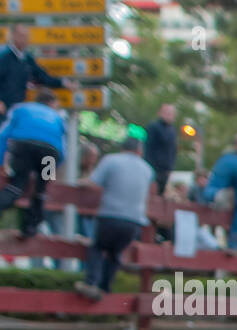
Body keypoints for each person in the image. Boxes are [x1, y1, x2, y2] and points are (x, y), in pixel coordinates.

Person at [73, 137, 153, 300]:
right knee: (115, 253)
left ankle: (91, 283)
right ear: (139, 151)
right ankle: (105, 288)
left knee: (97, 247)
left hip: (110, 215)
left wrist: (75, 183)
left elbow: (93, 182)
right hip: (134, 220)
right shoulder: (147, 169)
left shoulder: (111, 161)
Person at [0, 88, 65, 238]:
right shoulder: (58, 117)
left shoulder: (20, 109)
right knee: (42, 190)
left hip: (24, 146)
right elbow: (63, 149)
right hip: (51, 151)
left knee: (17, 184)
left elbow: (3, 135)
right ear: (52, 103)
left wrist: (1, 162)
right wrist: (52, 172)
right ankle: (30, 227)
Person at [201, 133, 237, 251]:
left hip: (228, 163)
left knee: (210, 189)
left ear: (236, 145)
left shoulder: (228, 154)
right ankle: (233, 244)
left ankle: (215, 195)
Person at [0, 24, 75, 117]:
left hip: (16, 107)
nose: (24, 39)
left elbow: (43, 77)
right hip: (2, 107)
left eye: (26, 36)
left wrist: (63, 83)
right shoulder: (3, 56)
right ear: (13, 36)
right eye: (21, 36)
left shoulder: (27, 58)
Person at [144, 103, 177, 196]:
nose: (169, 115)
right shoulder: (153, 127)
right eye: (166, 113)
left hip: (165, 171)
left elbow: (173, 151)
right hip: (153, 168)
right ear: (160, 113)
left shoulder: (172, 130)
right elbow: (148, 148)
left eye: (171, 113)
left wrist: (170, 168)